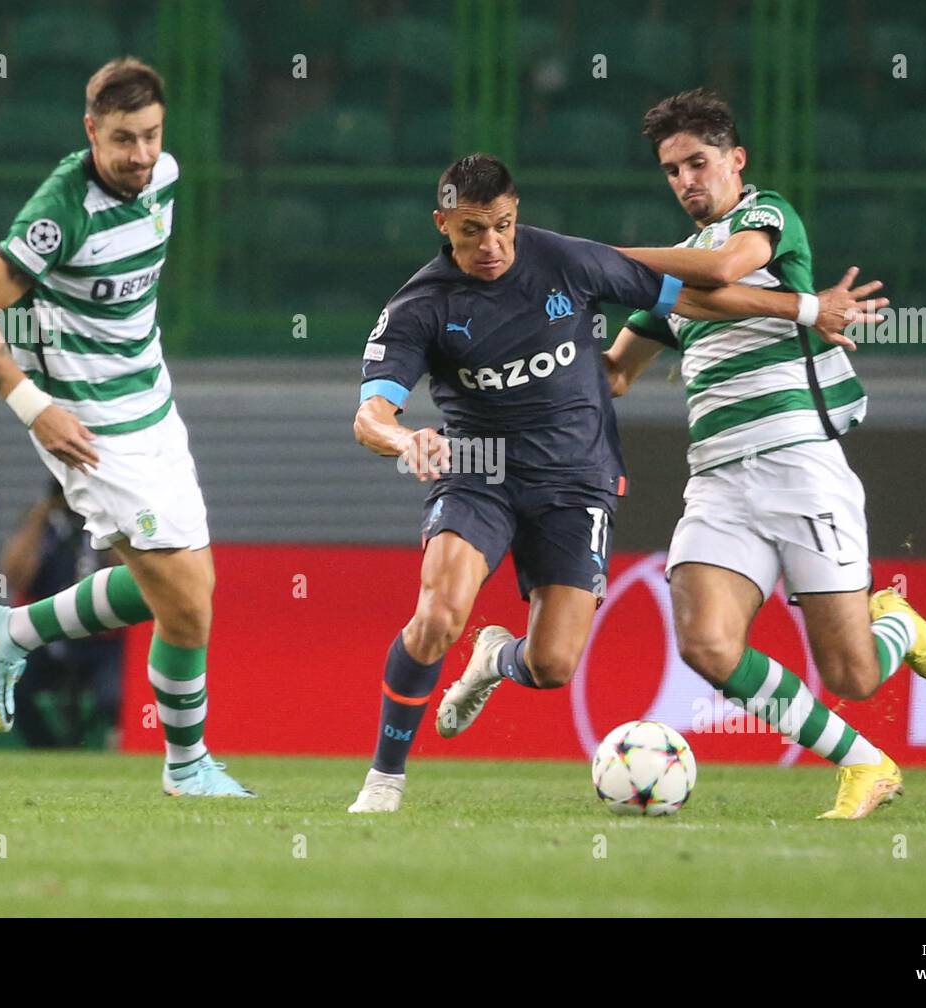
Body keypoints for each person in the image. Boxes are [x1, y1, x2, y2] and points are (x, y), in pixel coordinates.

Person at [347, 153, 881, 813]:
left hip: (577, 481)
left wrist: (805, 309)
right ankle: (385, 780)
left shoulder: (566, 261)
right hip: (478, 471)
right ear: (443, 224)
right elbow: (371, 416)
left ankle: (494, 661)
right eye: (472, 231)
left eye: (505, 226)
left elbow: (691, 297)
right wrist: (408, 439)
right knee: (438, 614)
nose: (492, 245)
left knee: (551, 666)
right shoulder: (419, 306)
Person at [601, 88, 926, 819]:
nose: (687, 180)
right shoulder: (668, 284)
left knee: (852, 674)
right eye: (671, 170)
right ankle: (866, 764)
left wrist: (594, 261)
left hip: (798, 466)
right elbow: (614, 375)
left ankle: (897, 625)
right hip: (718, 483)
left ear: (736, 160)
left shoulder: (766, 216)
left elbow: (728, 267)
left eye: (698, 162)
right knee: (706, 644)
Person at [0, 57, 252, 797]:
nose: (139, 155)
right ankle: (186, 769)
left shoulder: (164, 177)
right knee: (184, 604)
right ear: (91, 133)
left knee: (184, 592)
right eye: (122, 140)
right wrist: (34, 407)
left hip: (155, 408)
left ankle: (12, 630)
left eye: (150, 136)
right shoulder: (59, 212)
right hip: (92, 430)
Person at [2, 480, 125, 749]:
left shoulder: (106, 522)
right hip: (50, 638)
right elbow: (11, 578)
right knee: (14, 685)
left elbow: (127, 574)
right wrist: (39, 518)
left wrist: (106, 517)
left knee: (114, 695)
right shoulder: (46, 527)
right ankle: (47, 750)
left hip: (104, 640)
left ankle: (120, 744)